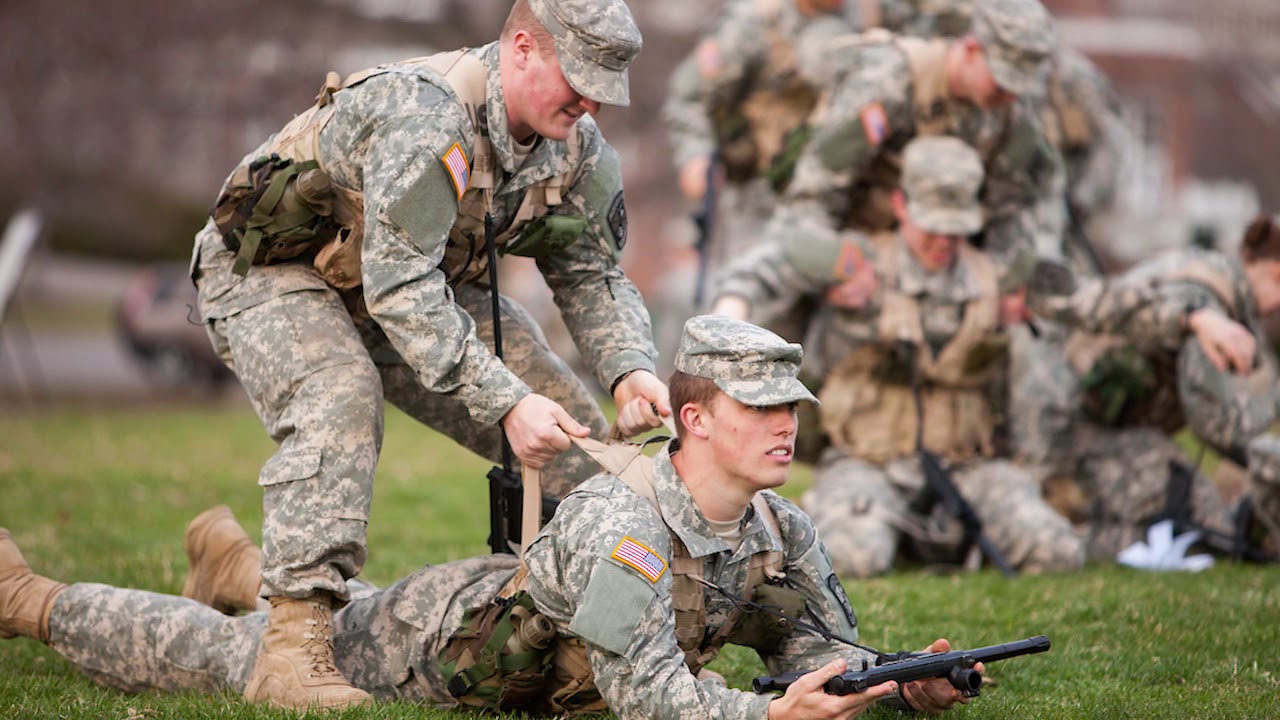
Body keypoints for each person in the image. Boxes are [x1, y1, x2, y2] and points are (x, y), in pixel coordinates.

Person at [0, 316, 988, 719]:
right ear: (693, 419)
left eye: (790, 406)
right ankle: (27, 596)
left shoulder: (781, 529)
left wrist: (892, 681)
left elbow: (810, 648)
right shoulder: (625, 527)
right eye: (760, 407)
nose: (786, 424)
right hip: (448, 645)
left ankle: (236, 566)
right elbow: (650, 702)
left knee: (313, 615)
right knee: (242, 658)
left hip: (540, 659)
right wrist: (772, 714)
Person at [185, 0, 670, 708]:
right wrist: (505, 403)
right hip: (272, 271)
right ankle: (289, 648)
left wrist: (630, 371)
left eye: (604, 88)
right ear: (524, 47)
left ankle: (591, 637)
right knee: (339, 395)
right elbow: (402, 290)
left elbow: (591, 272)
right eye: (579, 80)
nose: (591, 102)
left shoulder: (578, 150)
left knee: (573, 436)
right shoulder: (427, 116)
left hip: (406, 286)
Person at [712, 135, 1084, 578]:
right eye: (932, 225)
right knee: (853, 557)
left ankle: (928, 537)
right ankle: (860, 522)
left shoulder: (996, 277)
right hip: (870, 464)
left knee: (1056, 551)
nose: (943, 240)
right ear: (901, 205)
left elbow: (1075, 300)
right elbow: (765, 265)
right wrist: (731, 311)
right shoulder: (857, 260)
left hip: (968, 465)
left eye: (955, 228)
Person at [1026, 214, 1280, 559]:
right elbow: (1213, 423)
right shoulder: (1205, 296)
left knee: (1203, 519)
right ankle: (1065, 537)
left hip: (1096, 428)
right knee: (1207, 530)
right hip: (1071, 430)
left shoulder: (1206, 272)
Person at [662, 0, 854, 283]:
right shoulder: (754, 24)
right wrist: (695, 157)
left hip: (836, 200)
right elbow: (688, 98)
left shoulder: (865, 18)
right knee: (750, 290)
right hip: (757, 198)